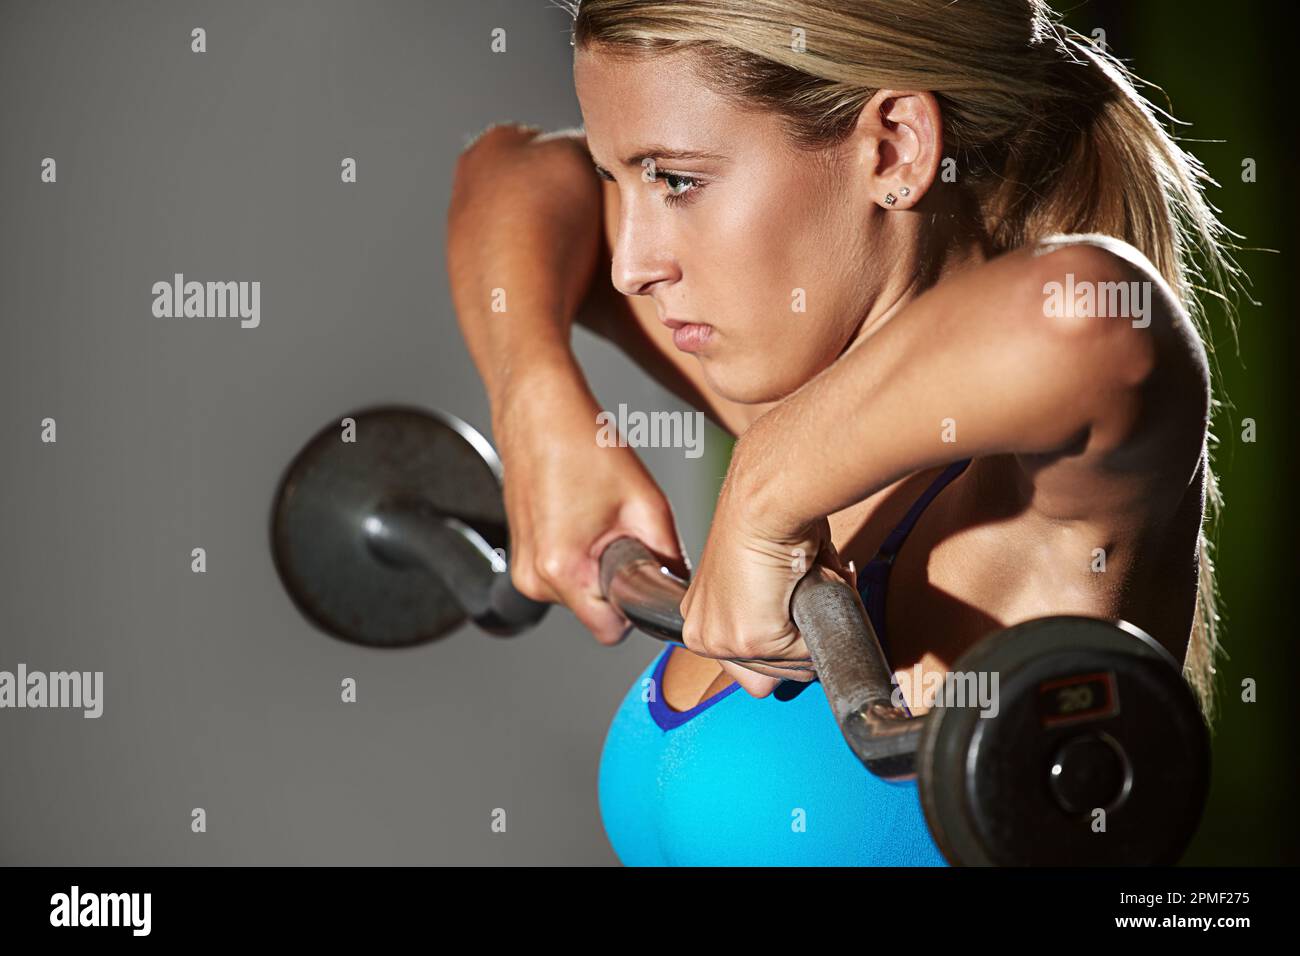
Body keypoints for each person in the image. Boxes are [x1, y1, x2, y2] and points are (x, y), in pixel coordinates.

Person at [446, 0, 1243, 865]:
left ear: (894, 148)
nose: (633, 264)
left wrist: (759, 492)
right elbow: (515, 170)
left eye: (675, 180)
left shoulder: (1029, 511)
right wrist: (540, 414)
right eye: (618, 180)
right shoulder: (795, 399)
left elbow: (1086, 316)